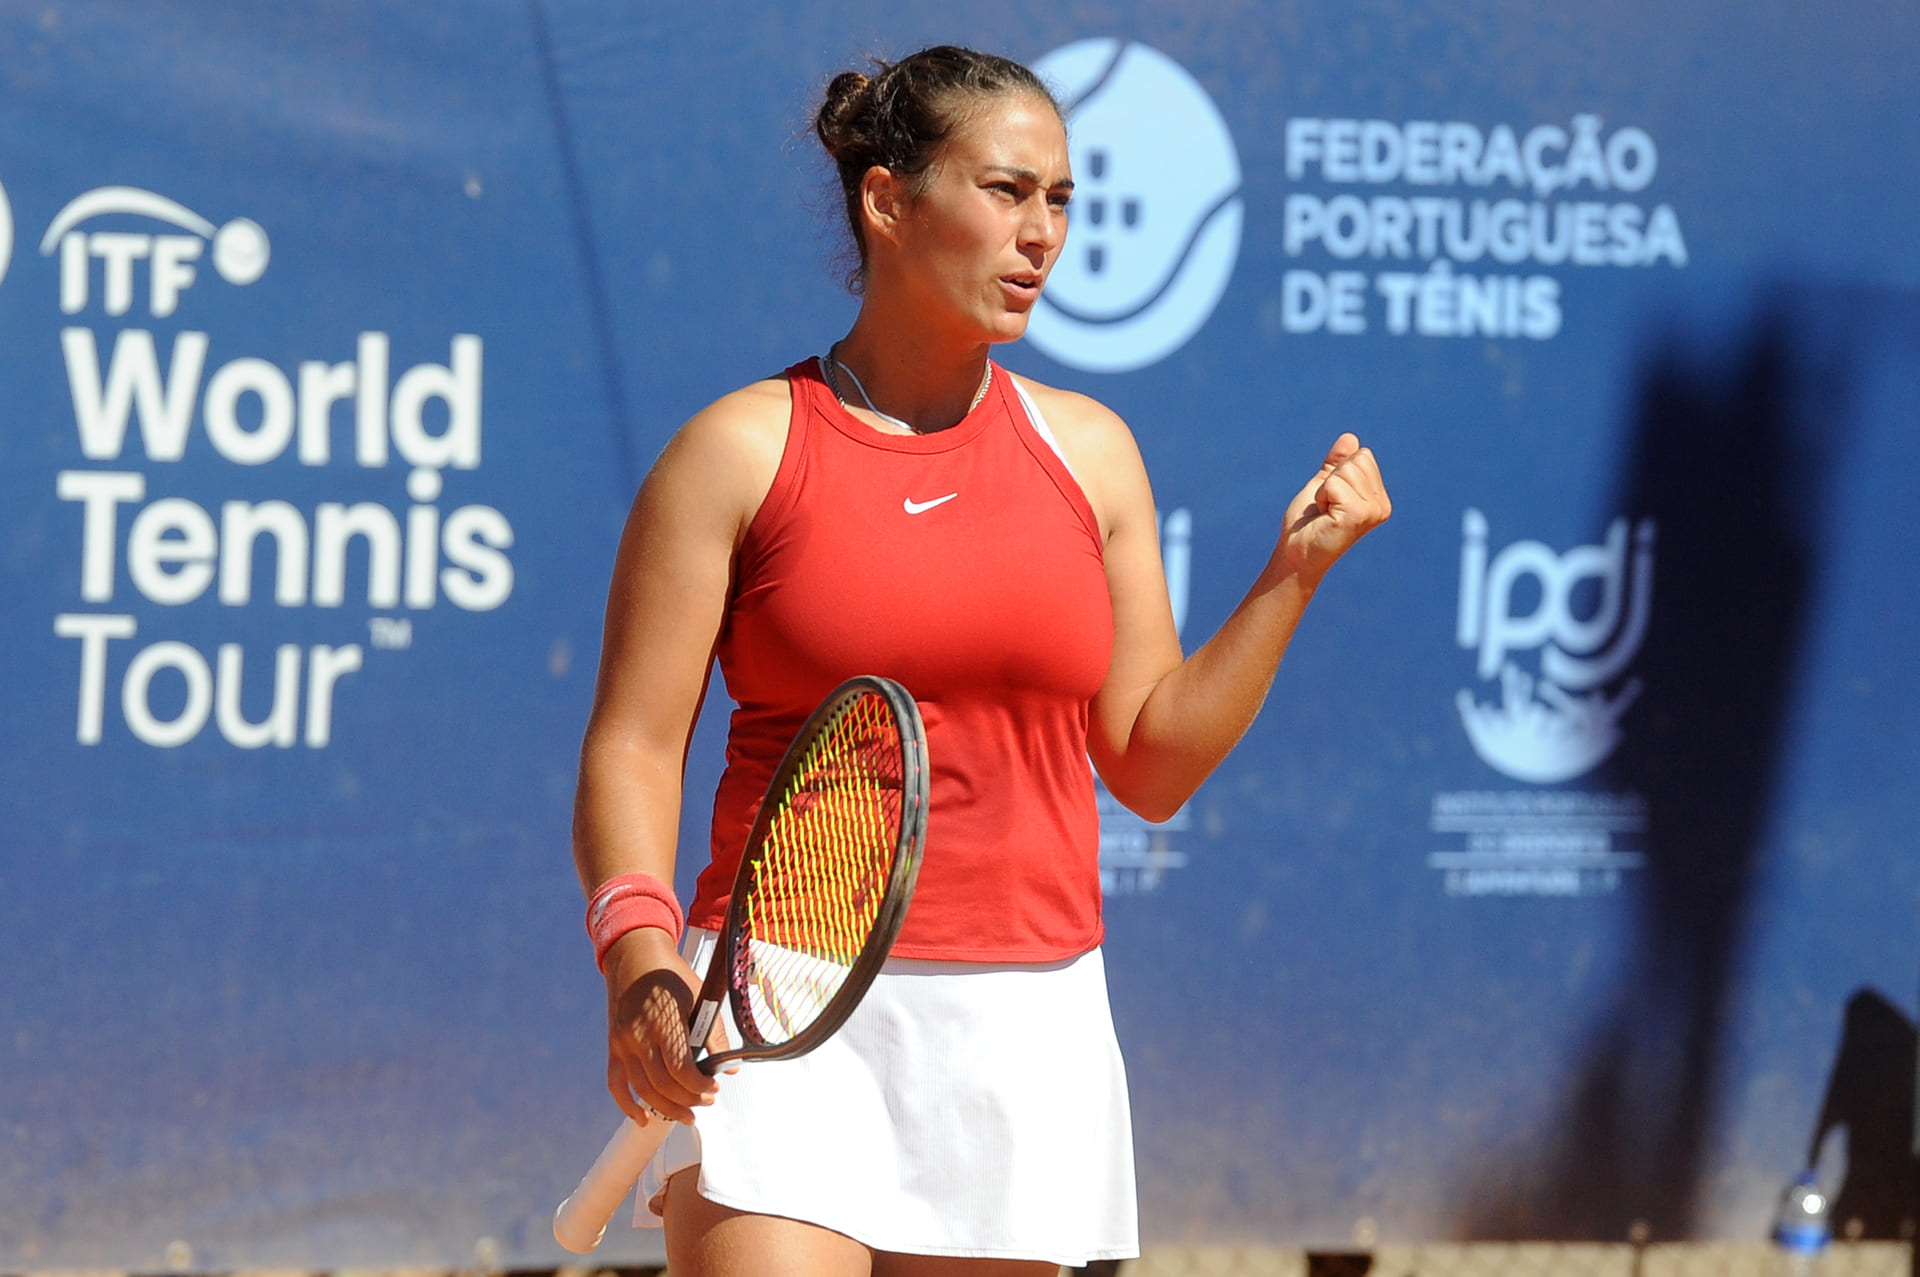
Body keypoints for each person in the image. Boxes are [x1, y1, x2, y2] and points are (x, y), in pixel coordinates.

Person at [572, 44, 1391, 1277]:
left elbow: (1153, 763)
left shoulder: (1091, 453)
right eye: (1008, 191)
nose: (1042, 233)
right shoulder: (736, 451)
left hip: (1024, 1017)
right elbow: (633, 741)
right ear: (887, 200)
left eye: (1060, 199)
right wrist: (638, 957)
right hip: (784, 993)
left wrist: (1295, 572)